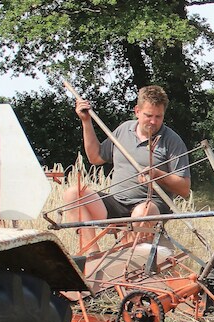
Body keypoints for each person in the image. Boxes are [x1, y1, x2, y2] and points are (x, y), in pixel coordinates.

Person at [62, 85, 191, 254]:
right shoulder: (124, 130)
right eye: (148, 115)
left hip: (151, 206)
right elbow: (95, 157)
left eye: (158, 117)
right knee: (73, 194)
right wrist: (86, 121)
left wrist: (157, 174)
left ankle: (128, 263)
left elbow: (184, 189)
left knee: (141, 212)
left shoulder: (172, 141)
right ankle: (93, 256)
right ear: (137, 111)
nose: (153, 121)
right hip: (117, 203)